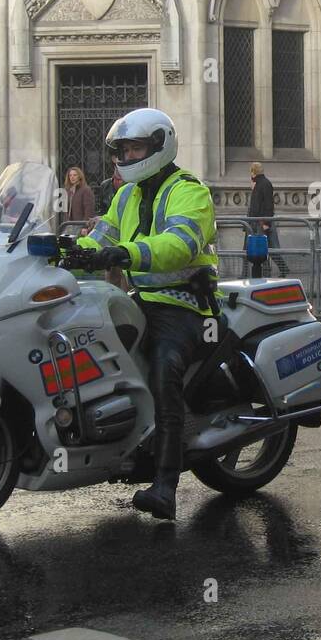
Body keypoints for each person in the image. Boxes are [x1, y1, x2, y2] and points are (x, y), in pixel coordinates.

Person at [77, 108, 219, 522]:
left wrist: (127, 252)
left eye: (135, 147)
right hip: (143, 299)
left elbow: (179, 243)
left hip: (185, 303)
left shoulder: (189, 191)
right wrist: (59, 254)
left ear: (159, 146)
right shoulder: (126, 195)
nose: (126, 155)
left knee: (163, 366)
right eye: (122, 149)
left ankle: (165, 485)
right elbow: (100, 237)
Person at [246, 161, 289, 278]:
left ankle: (277, 269)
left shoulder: (264, 184)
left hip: (262, 222)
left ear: (253, 172)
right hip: (256, 222)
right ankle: (274, 270)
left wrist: (266, 222)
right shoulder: (257, 184)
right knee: (266, 248)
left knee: (268, 248)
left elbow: (268, 205)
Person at [59, 166, 96, 234]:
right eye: (70, 175)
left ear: (79, 176)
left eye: (75, 175)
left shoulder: (85, 190)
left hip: (81, 225)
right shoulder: (69, 191)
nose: (72, 177)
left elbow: (89, 209)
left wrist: (85, 226)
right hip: (70, 226)